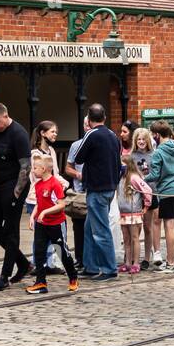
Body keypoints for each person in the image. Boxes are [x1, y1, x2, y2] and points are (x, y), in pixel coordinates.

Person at [0, 103, 32, 290]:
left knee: (11, 230)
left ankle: (5, 275)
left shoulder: (18, 134)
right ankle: (24, 263)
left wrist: (16, 192)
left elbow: (26, 166)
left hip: (13, 185)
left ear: (5, 116)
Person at [70, 103, 121, 281]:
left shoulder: (91, 134)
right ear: (104, 117)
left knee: (100, 231)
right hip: (109, 188)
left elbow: (78, 157)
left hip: (96, 188)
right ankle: (90, 266)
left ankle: (109, 269)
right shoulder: (113, 135)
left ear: (89, 120)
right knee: (89, 228)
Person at [25, 153, 78, 294]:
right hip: (42, 224)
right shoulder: (37, 185)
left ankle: (73, 277)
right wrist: (34, 216)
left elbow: (61, 205)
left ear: (43, 169)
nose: (33, 170)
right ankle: (41, 282)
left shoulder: (55, 184)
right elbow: (39, 203)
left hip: (56, 224)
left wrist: (45, 212)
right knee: (39, 251)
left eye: (35, 168)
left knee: (62, 251)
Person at [147, 123, 174, 272]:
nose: (152, 137)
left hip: (166, 192)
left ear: (157, 135)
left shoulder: (158, 152)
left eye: (153, 135)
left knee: (169, 227)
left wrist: (140, 179)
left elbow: (154, 175)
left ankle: (170, 263)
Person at [30, 120, 64, 272]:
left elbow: (55, 173)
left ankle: (49, 264)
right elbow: (38, 176)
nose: (55, 134)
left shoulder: (51, 151)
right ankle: (39, 264)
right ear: (43, 133)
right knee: (40, 234)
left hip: (52, 196)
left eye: (56, 132)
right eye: (52, 131)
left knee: (52, 232)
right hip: (37, 197)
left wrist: (63, 184)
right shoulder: (35, 154)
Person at [131, 127, 162, 268]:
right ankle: (132, 255)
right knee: (135, 227)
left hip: (151, 193)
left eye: (144, 139)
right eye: (139, 139)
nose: (141, 142)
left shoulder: (154, 155)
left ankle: (147, 258)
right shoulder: (132, 156)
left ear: (148, 140)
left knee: (148, 227)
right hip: (137, 195)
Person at [117, 156, 152, 273]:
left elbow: (147, 190)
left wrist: (146, 206)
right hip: (123, 214)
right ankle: (127, 262)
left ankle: (136, 262)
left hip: (134, 213)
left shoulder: (134, 178)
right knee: (126, 239)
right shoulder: (121, 178)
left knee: (135, 238)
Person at [64, 118, 89, 271]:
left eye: (89, 124)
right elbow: (68, 168)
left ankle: (91, 259)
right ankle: (80, 258)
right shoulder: (76, 145)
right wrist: (79, 175)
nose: (87, 127)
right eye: (86, 125)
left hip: (96, 192)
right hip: (80, 194)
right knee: (79, 228)